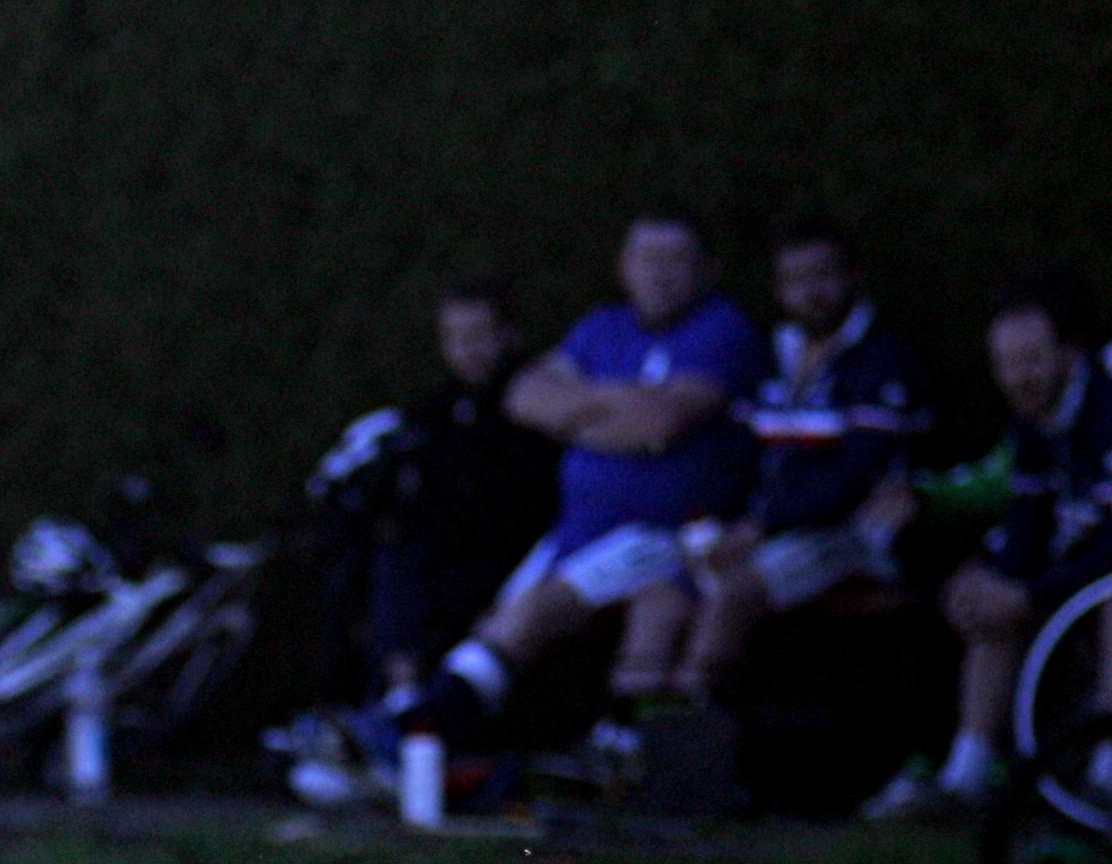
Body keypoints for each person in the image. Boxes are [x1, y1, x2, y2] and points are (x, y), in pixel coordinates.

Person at [406, 209, 766, 777]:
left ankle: (426, 734)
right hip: (577, 529)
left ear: (707, 270)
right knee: (496, 621)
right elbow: (524, 396)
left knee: (535, 613)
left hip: (662, 534)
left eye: (675, 260)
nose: (659, 274)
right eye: (647, 259)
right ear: (624, 266)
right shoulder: (601, 328)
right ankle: (436, 748)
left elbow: (660, 423)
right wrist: (623, 409)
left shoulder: (722, 331)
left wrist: (579, 412)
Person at [280, 280, 555, 803]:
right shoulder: (434, 415)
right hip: (434, 569)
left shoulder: (532, 410)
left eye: (480, 336)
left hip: (505, 566)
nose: (468, 351)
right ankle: (388, 711)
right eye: (456, 338)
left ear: (509, 336)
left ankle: (401, 728)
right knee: (381, 562)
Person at [864, 269, 1112, 819]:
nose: (1017, 379)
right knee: (989, 603)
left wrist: (1032, 593)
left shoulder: (1106, 406)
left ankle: (1106, 773)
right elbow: (1029, 520)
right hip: (1081, 573)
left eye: (1031, 361)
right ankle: (966, 775)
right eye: (1006, 365)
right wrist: (994, 577)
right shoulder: (1034, 422)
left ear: (1070, 353)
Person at [669, 217, 925, 701]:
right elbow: (732, 456)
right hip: (764, 531)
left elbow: (854, 477)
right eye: (795, 280)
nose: (811, 293)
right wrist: (712, 523)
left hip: (850, 534)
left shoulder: (882, 360)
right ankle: (635, 723)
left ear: (853, 275)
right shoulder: (770, 357)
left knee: (733, 594)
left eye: (823, 275)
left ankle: (690, 718)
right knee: (667, 584)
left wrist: (759, 529)